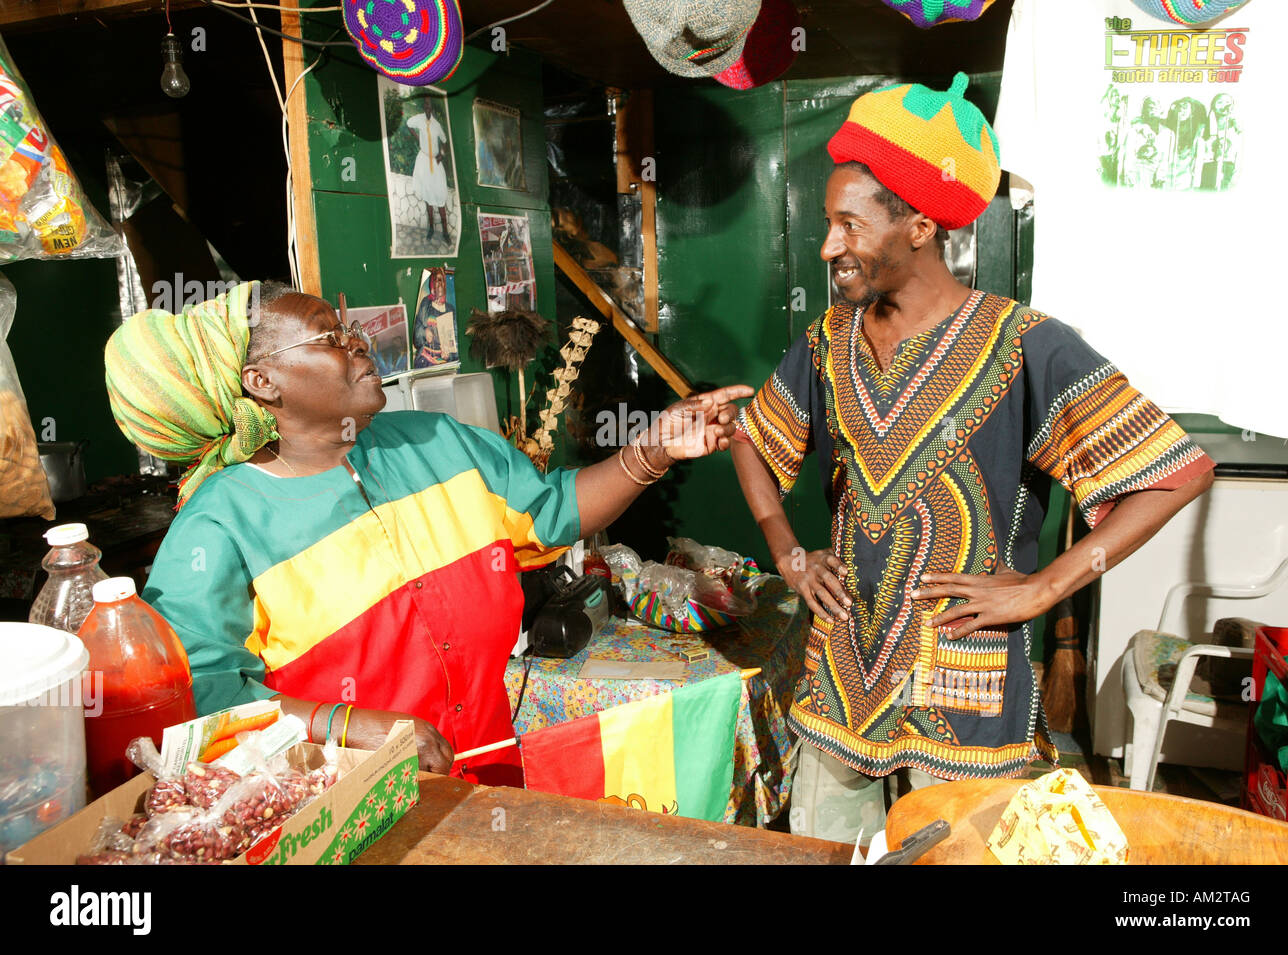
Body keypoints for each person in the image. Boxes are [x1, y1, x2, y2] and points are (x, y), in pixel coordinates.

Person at [731, 74, 1214, 843]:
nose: (829, 247)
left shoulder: (1026, 345)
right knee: (825, 850)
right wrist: (788, 552)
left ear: (918, 225)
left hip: (965, 676)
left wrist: (1045, 587)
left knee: (962, 856)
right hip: (843, 670)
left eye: (850, 226)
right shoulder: (827, 343)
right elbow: (753, 438)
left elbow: (1177, 470)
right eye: (828, 224)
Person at [104, 282, 751, 786]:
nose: (357, 339)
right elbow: (202, 699)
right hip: (347, 819)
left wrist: (654, 449)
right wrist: (354, 726)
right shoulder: (220, 526)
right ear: (262, 382)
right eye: (329, 335)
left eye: (348, 324)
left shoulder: (437, 443)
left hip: (489, 787)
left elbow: (549, 512)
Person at [406, 95, 450, 243]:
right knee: (428, 196)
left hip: (435, 163)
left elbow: (444, 141)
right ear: (423, 106)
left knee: (440, 193)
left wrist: (441, 156)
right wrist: (419, 139)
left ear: (432, 108)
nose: (427, 107)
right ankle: (431, 229)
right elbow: (408, 124)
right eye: (425, 104)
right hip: (423, 161)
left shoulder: (437, 125)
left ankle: (445, 232)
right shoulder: (418, 119)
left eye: (429, 105)